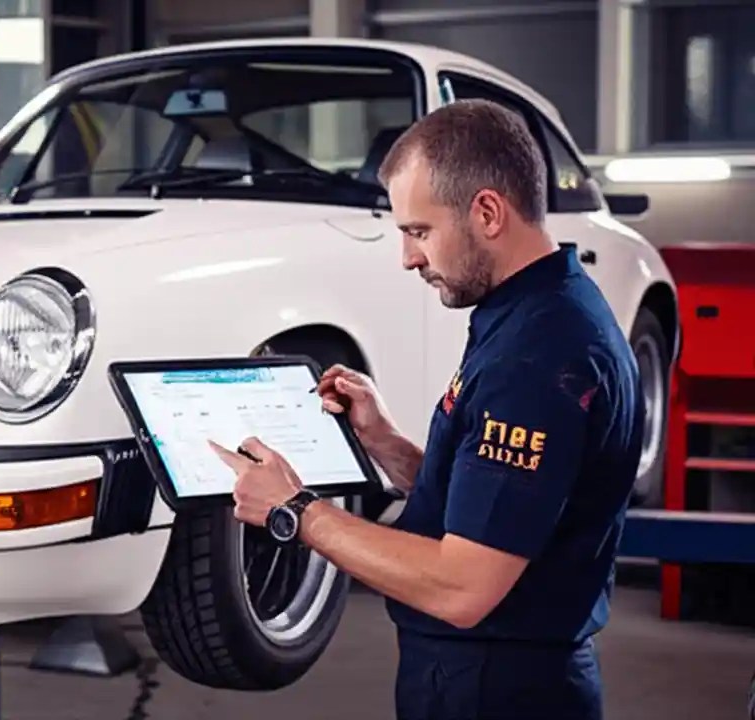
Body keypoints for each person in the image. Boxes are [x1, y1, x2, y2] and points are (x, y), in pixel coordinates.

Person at [209, 99, 643, 720]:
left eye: (418, 231)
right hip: (496, 677)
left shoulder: (536, 357)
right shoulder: (541, 310)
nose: (408, 257)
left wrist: (295, 511)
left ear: (488, 212)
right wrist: (386, 441)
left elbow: (462, 586)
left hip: (497, 690)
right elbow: (506, 508)